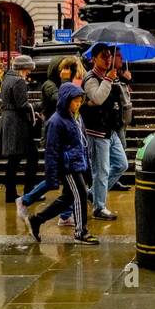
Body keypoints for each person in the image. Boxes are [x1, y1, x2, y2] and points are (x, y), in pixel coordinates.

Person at [20, 82, 97, 245]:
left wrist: (87, 168)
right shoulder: (56, 121)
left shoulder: (76, 118)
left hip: (77, 163)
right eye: (75, 101)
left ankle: (37, 220)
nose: (78, 104)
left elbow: (82, 144)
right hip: (68, 166)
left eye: (79, 101)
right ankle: (80, 232)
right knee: (80, 194)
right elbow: (52, 151)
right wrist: (52, 176)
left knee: (67, 199)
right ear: (65, 100)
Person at [21, 55, 79, 221]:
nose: (66, 71)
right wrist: (67, 83)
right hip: (54, 134)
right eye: (63, 68)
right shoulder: (49, 84)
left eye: (68, 69)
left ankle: (66, 214)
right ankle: (26, 200)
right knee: (57, 178)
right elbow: (60, 100)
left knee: (62, 179)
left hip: (64, 134)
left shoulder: (60, 84)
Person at [80, 42, 127, 221]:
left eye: (109, 55)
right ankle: (99, 207)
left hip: (110, 128)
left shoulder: (109, 76)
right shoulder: (91, 78)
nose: (108, 59)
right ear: (94, 59)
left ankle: (93, 194)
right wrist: (108, 80)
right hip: (97, 130)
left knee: (122, 164)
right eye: (104, 56)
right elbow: (98, 98)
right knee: (101, 170)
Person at [0, 55, 40, 203]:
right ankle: (29, 191)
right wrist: (38, 105)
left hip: (9, 120)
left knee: (14, 159)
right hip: (17, 124)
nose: (29, 72)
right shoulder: (18, 81)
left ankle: (10, 193)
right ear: (23, 68)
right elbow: (22, 105)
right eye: (29, 68)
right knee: (31, 156)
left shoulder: (7, 79)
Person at [112, 48, 133, 191]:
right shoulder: (109, 75)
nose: (121, 58)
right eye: (118, 56)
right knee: (119, 152)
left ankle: (114, 180)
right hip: (115, 121)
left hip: (122, 118)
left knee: (121, 149)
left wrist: (126, 79)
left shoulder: (119, 75)